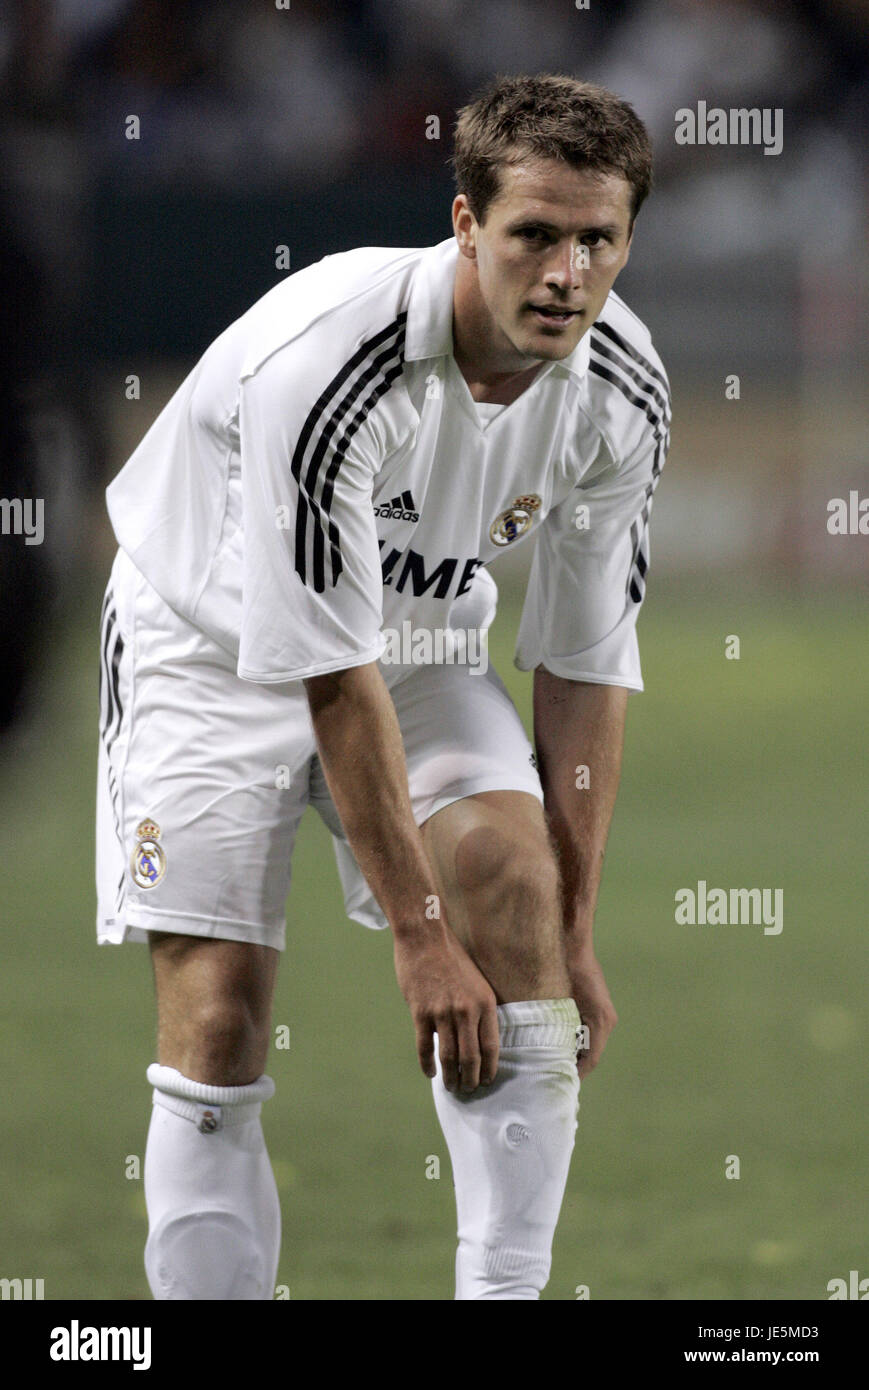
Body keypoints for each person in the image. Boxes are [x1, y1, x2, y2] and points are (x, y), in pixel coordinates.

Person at [95, 72, 670, 1300]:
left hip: (415, 650)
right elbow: (324, 671)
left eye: (596, 240)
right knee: (217, 1023)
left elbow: (580, 662)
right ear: (464, 226)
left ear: (627, 241)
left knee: (517, 884)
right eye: (532, 235)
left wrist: (570, 932)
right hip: (206, 649)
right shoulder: (330, 367)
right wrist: (417, 939)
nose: (565, 272)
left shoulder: (622, 391)